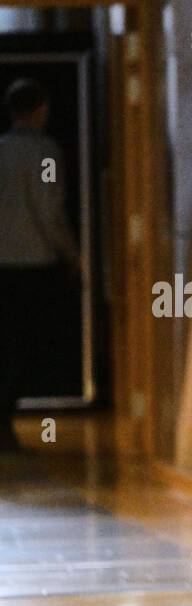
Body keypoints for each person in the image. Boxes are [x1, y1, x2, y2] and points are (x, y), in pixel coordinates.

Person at [0, 78, 79, 452]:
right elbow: (49, 207)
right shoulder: (45, 154)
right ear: (40, 109)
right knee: (28, 342)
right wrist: (70, 252)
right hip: (33, 260)